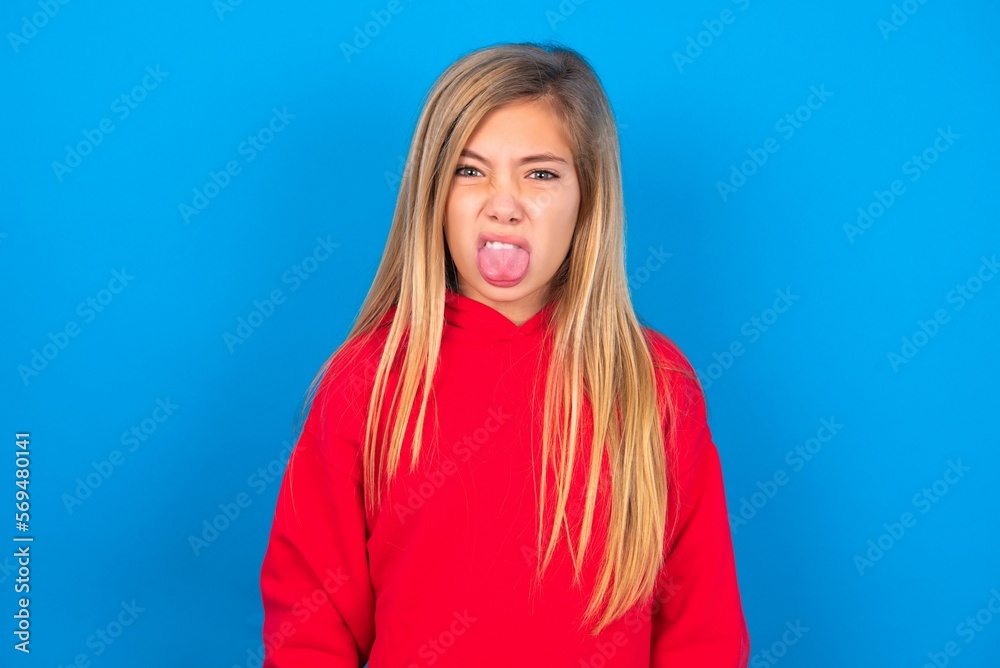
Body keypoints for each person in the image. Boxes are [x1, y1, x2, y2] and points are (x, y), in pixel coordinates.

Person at [259, 41, 750, 667]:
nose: (504, 202)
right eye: (470, 170)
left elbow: (701, 630)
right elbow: (310, 629)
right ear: (432, 195)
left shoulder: (653, 385)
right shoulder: (368, 383)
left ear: (587, 198)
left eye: (540, 173)